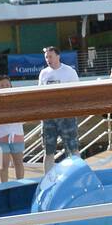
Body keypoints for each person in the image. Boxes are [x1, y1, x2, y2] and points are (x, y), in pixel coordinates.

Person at [38, 47, 80, 175]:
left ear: (58, 56)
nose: (48, 59)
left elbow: (77, 92)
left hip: (67, 115)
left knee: (73, 148)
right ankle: (48, 178)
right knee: (48, 150)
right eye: (46, 57)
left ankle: (76, 174)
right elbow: (39, 93)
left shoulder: (69, 72)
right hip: (49, 117)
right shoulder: (43, 73)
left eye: (50, 56)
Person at [0, 76, 25, 182]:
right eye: (2, 85)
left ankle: (20, 186)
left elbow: (25, 117)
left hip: (17, 136)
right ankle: (4, 188)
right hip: (0, 137)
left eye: (7, 85)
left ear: (11, 85)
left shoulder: (18, 100)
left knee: (18, 164)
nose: (5, 87)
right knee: (3, 166)